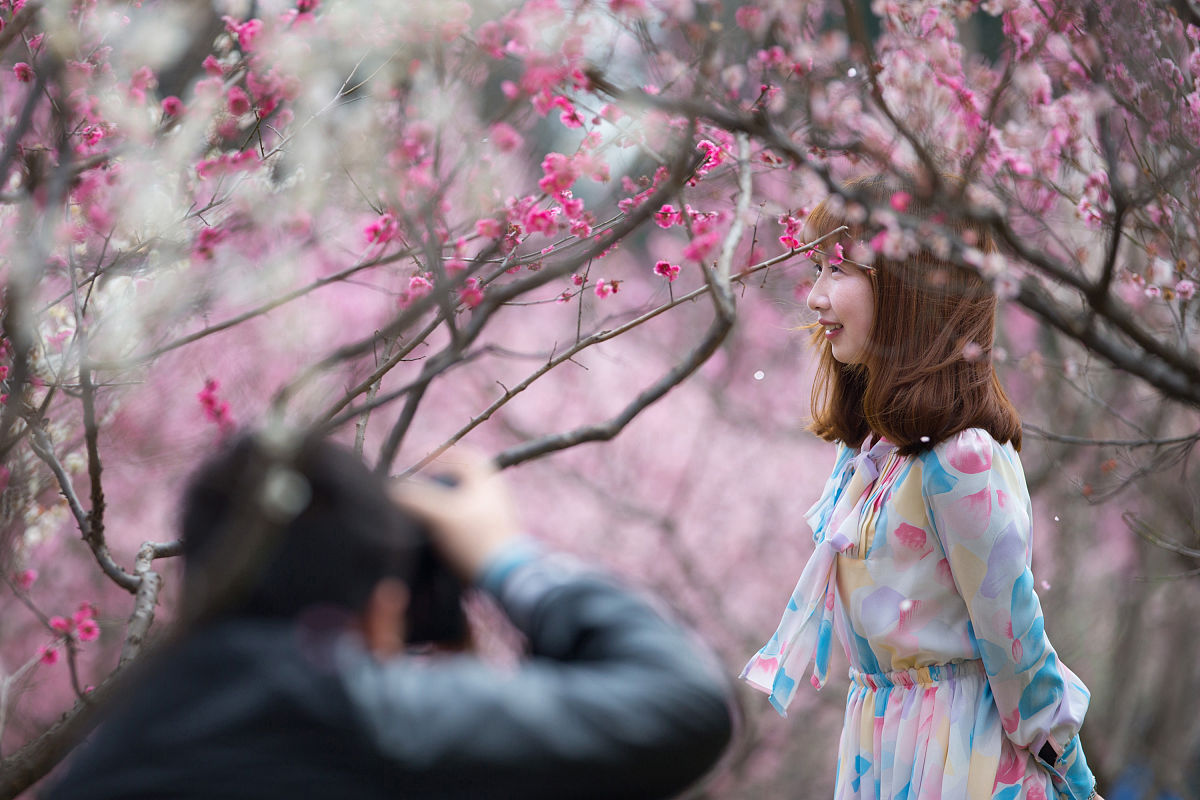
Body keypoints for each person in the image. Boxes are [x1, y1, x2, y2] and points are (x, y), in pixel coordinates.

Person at [45, 432, 734, 799]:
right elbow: (685, 705)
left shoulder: (117, 751)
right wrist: (505, 560)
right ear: (383, 608)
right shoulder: (348, 715)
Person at [741, 175, 1099, 800]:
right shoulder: (870, 460)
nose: (816, 297)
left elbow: (1015, 646)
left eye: (838, 270)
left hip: (965, 755)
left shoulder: (962, 460)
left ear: (910, 284)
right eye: (816, 271)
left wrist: (1075, 777)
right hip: (883, 746)